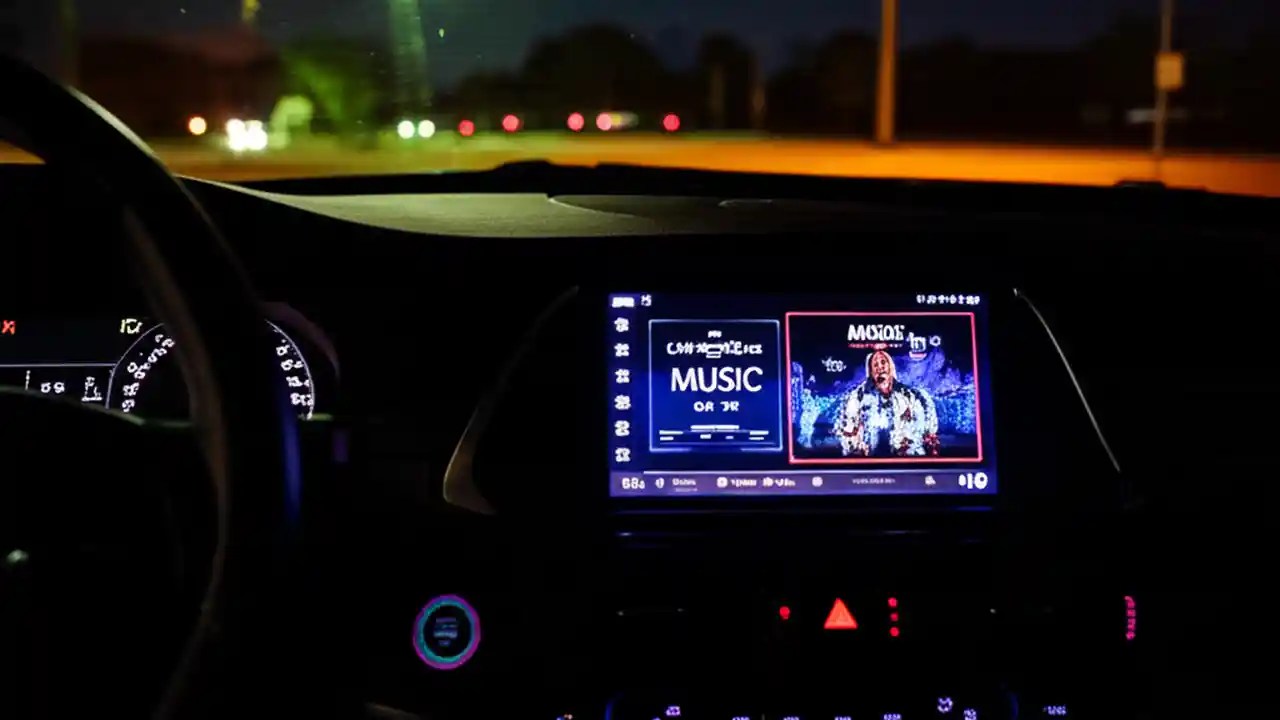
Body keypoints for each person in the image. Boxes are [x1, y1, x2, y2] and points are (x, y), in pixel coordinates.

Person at [837, 350, 940, 457]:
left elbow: (925, 431)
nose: (880, 367)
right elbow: (848, 432)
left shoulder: (911, 396)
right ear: (871, 372)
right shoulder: (857, 398)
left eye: (883, 362)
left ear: (890, 366)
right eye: (875, 365)